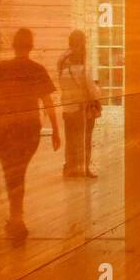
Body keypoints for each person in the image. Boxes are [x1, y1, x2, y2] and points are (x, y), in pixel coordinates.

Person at [0, 28, 60, 238]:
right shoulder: (37, 70)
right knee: (18, 172)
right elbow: (48, 103)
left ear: (13, 45)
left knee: (11, 172)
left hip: (4, 128)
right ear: (31, 46)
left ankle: (16, 217)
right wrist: (56, 131)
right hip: (28, 129)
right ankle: (17, 217)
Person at [58, 29, 102, 178]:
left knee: (70, 139)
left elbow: (60, 81)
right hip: (83, 108)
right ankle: (85, 167)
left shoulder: (61, 62)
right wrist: (98, 96)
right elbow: (91, 88)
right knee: (86, 138)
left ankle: (70, 167)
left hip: (67, 106)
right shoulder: (84, 68)